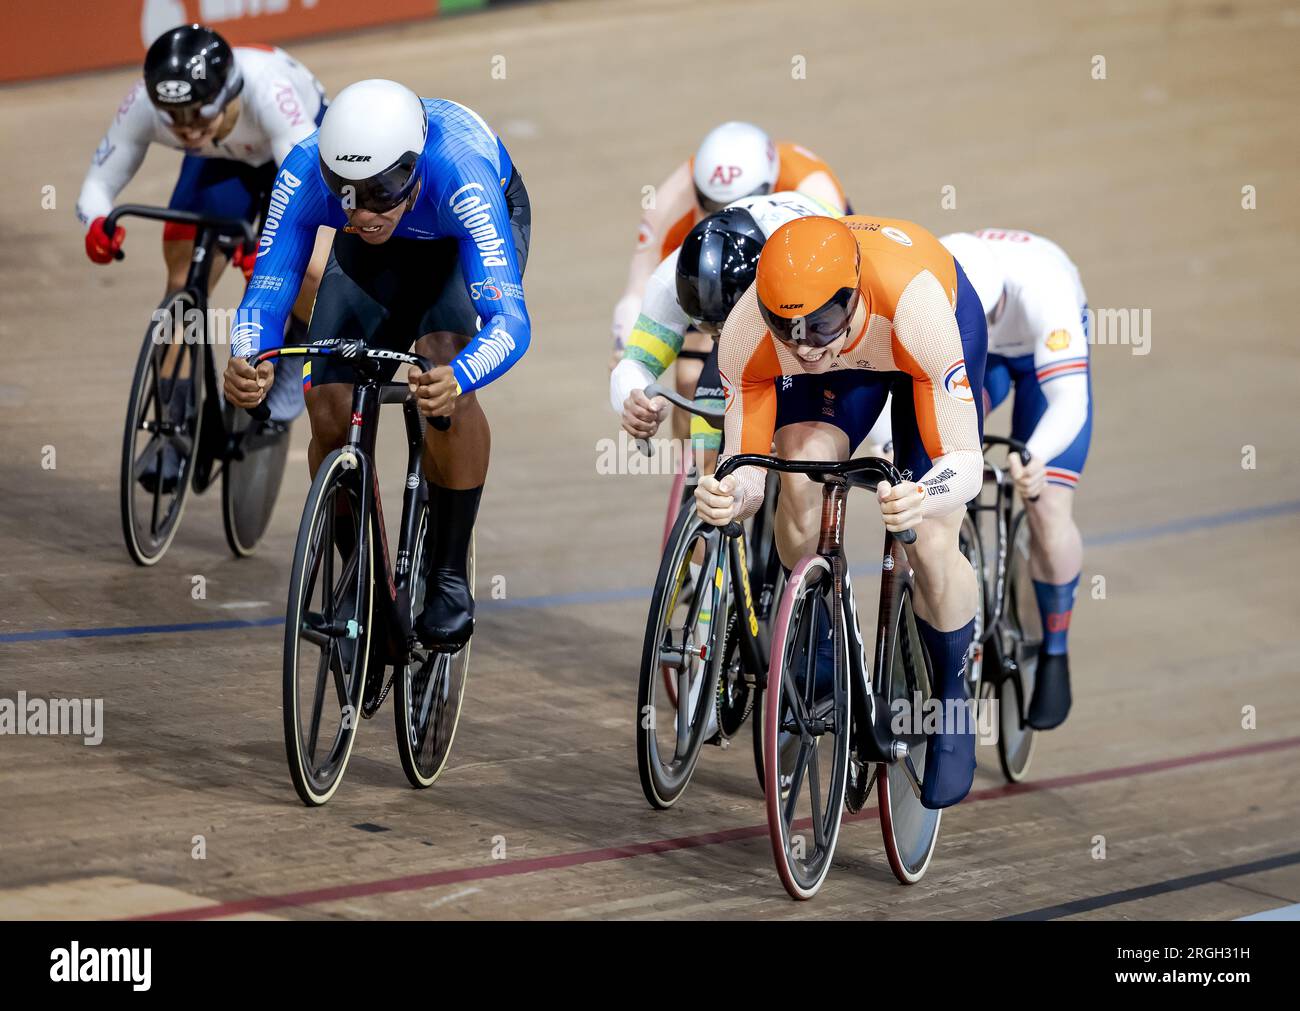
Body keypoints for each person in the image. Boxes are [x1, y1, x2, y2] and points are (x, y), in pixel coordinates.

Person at [222, 79, 531, 653]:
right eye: (345, 193)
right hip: (379, 257)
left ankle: (446, 573)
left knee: (442, 367)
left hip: (455, 239)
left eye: (380, 192)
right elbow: (266, 290)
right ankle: (358, 578)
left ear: (412, 172)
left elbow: (510, 324)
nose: (362, 210)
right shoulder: (304, 170)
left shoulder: (462, 175)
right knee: (329, 404)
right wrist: (247, 356)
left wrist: (459, 377)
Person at [695, 215, 988, 809]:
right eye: (788, 326)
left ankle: (953, 702)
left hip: (916, 343)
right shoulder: (752, 329)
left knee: (928, 541)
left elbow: (967, 464)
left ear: (852, 296)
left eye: (820, 322)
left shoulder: (918, 308)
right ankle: (822, 642)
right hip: (850, 360)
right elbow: (749, 467)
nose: (803, 343)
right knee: (799, 475)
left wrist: (925, 495)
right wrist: (733, 497)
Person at [77, 24, 330, 430]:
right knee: (180, 284)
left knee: (310, 272)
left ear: (229, 93)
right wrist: (96, 223)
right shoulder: (144, 102)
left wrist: (271, 247)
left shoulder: (268, 91)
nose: (189, 129)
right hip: (222, 157)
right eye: (174, 120)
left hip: (294, 152)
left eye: (199, 114)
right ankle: (172, 426)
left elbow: (310, 191)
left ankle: (295, 343)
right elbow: (97, 184)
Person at [608, 122, 850, 445]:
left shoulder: (813, 190)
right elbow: (634, 356)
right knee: (691, 381)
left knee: (798, 431)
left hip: (791, 281)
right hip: (720, 278)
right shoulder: (669, 258)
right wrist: (632, 397)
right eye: (710, 204)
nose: (722, 209)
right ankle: (692, 474)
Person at [940, 229, 1091, 730]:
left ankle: (1056, 646)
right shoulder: (930, 281)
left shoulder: (1044, 288)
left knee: (1046, 503)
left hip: (1036, 360)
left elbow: (1069, 400)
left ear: (998, 299)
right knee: (940, 459)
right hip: (978, 360)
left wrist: (1035, 457)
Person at [610, 190, 835, 464]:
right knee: (709, 438)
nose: (723, 336)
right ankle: (704, 493)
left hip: (802, 278)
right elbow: (636, 363)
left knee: (795, 440)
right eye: (711, 328)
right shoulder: (667, 283)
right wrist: (635, 402)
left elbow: (857, 351)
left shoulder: (801, 272)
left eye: (729, 325)